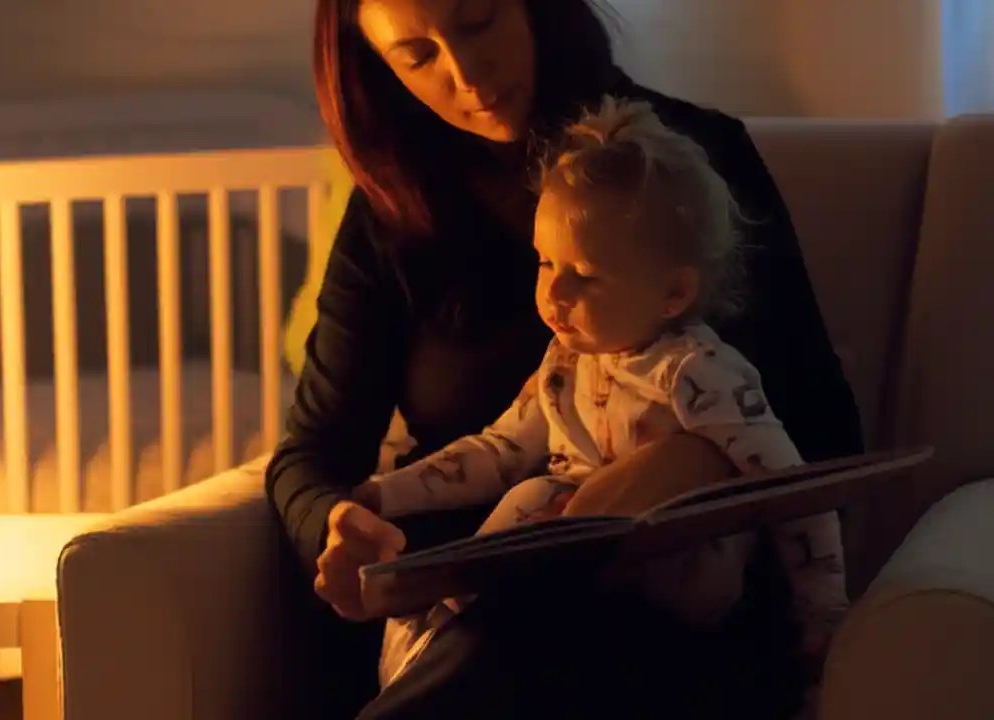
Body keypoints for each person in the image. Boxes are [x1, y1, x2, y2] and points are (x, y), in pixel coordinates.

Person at [266, 0, 863, 717]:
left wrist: (700, 464)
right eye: (417, 56)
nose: (466, 74)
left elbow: (827, 428)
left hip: (670, 607)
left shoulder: (687, 166)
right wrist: (336, 524)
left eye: (479, 19)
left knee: (533, 642)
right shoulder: (391, 218)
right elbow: (309, 457)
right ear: (380, 70)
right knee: (486, 639)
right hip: (461, 603)